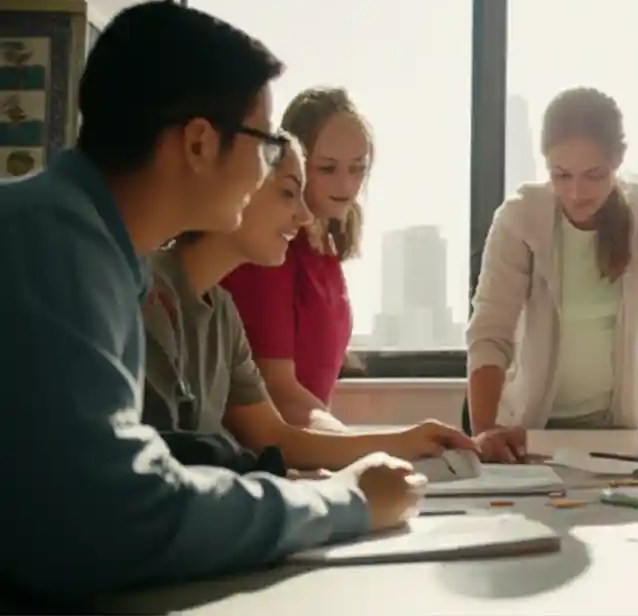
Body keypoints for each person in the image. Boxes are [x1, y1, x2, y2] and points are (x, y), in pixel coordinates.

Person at [0, 1, 422, 603]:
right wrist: (345, 501)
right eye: (267, 143)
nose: (272, 167)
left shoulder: (91, 246)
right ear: (199, 142)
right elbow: (113, 517)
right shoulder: (56, 248)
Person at [142, 133, 475, 471]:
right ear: (240, 185)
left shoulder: (223, 311)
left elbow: (273, 436)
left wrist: (404, 442)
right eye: (288, 193)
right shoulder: (148, 293)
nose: (303, 216)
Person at [467, 87, 638, 462]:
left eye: (593, 175)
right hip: (526, 431)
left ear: (618, 160)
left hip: (617, 431)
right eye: (561, 174)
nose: (575, 192)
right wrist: (484, 435)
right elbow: (491, 330)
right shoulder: (521, 216)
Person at [222, 87, 371, 431]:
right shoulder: (272, 250)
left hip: (310, 440)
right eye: (328, 168)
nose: (346, 184)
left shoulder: (327, 249)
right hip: (274, 445)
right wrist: (357, 447)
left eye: (358, 168)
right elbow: (280, 394)